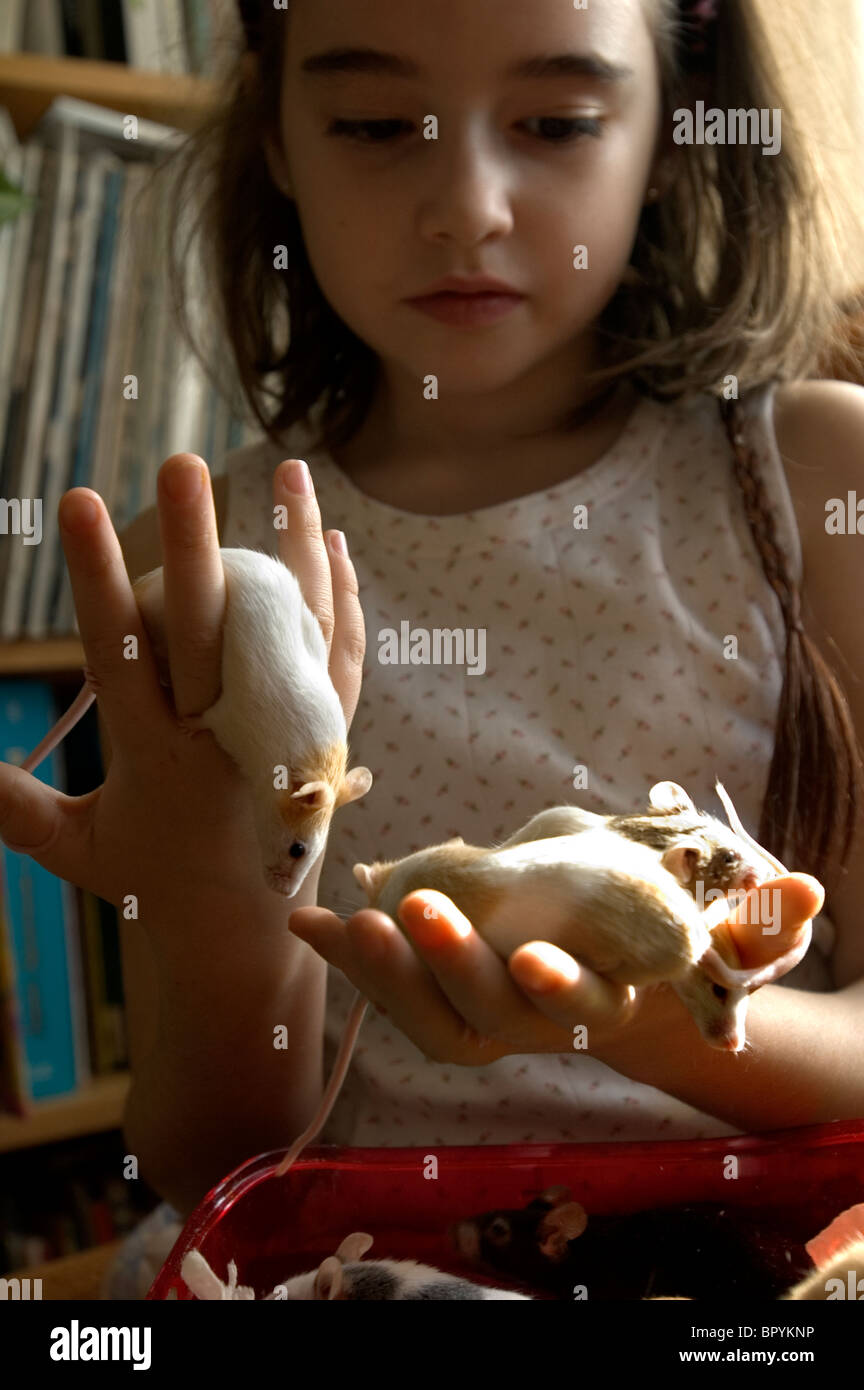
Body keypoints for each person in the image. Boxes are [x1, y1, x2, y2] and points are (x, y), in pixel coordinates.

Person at [1, 0, 862, 1300]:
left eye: (558, 122)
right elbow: (206, 1165)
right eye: (376, 122)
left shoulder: (813, 482)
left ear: (676, 130)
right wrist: (214, 911)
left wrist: (647, 1020)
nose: (467, 204)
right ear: (280, 134)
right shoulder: (209, 562)